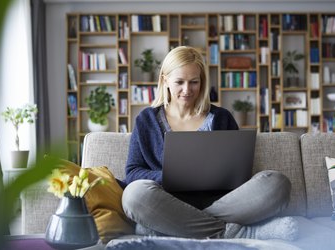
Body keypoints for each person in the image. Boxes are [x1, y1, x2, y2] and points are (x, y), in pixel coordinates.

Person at [122, 46, 298, 240]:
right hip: (167, 203)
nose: (187, 90)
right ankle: (238, 232)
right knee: (134, 195)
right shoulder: (146, 120)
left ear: (202, 82)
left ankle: (173, 227)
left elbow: (238, 174)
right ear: (165, 80)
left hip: (222, 204)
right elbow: (132, 172)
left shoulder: (222, 118)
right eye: (179, 82)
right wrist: (171, 177)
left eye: (194, 82)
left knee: (277, 183)